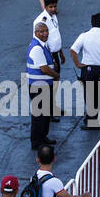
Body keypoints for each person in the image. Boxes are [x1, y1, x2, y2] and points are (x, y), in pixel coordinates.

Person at [70, 12, 100, 130]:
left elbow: (73, 50)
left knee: (89, 95)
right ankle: (93, 118)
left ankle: (92, 121)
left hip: (88, 69)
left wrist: (78, 64)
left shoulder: (84, 35)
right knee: (97, 94)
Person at [26, 20, 58, 151]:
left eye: (46, 31)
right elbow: (44, 68)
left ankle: (43, 137)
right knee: (39, 115)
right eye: (42, 31)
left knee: (44, 114)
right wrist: (56, 75)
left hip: (44, 85)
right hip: (39, 86)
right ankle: (36, 142)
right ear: (36, 33)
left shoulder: (42, 45)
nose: (45, 34)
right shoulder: (37, 48)